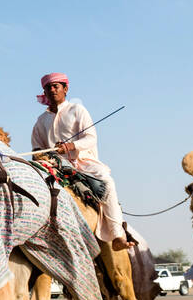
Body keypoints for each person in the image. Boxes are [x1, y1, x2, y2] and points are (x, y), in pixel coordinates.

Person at [31, 72, 132, 252]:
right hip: (54, 165)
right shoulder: (41, 120)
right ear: (44, 92)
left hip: (83, 162)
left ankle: (117, 235)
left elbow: (91, 138)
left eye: (56, 86)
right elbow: (37, 148)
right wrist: (41, 154)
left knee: (107, 182)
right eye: (48, 87)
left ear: (65, 89)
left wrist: (70, 146)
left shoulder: (77, 110)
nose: (52, 89)